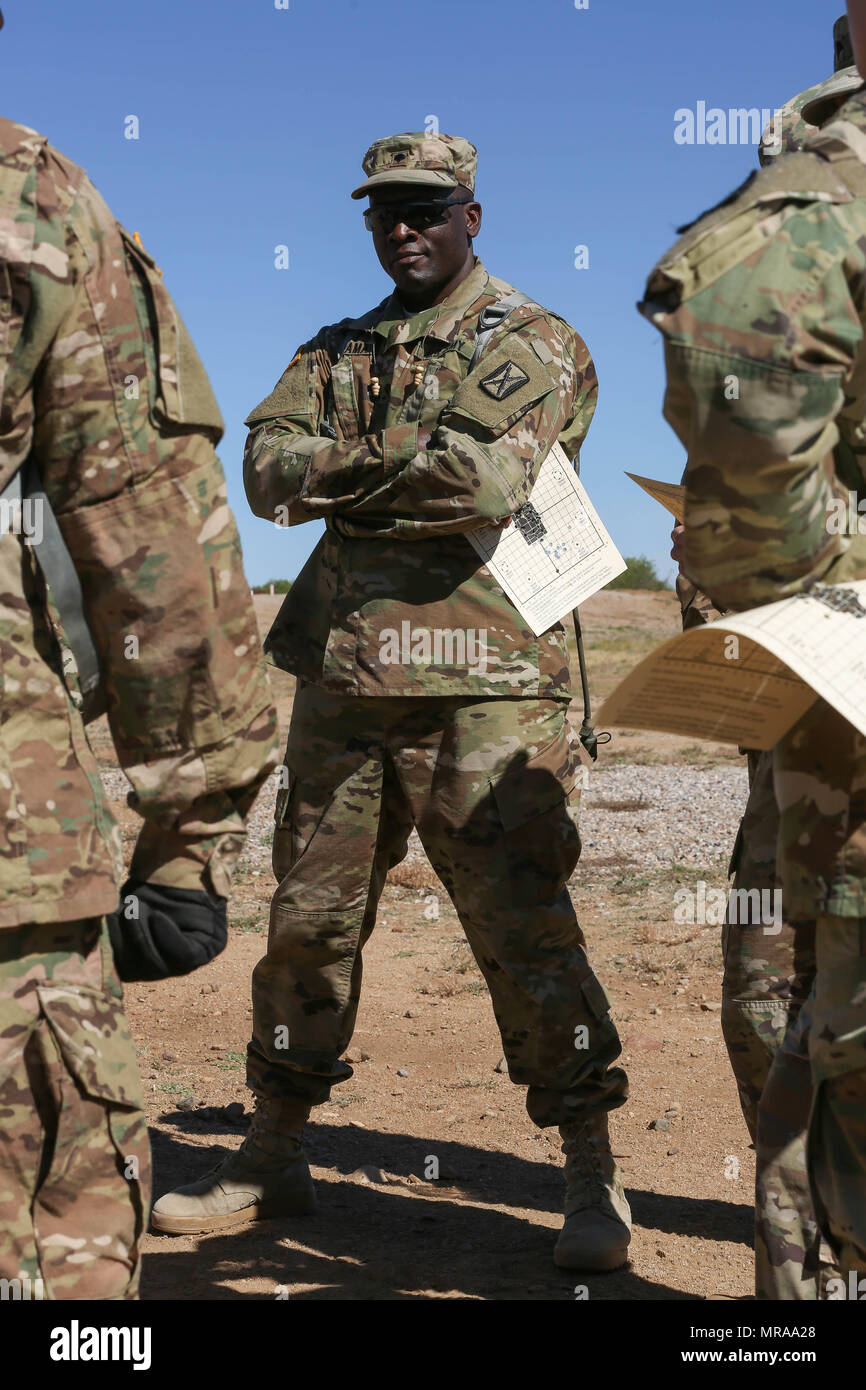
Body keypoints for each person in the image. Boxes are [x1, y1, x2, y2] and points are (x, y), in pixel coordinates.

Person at [153, 130, 631, 1271]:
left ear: (474, 214)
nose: (401, 227)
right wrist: (388, 466)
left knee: (523, 934)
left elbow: (486, 476)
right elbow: (265, 467)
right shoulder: (336, 346)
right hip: (346, 683)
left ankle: (588, 1174)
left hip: (488, 693)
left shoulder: (533, 338)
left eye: (424, 207)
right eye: (381, 211)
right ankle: (272, 1152)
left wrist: (342, 475)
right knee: (304, 934)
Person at [0, 5, 279, 1299]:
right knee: (51, 1237)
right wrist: (189, 835)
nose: (404, 225)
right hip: (14, 845)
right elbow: (149, 528)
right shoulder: (31, 197)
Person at [640, 1, 866, 1295]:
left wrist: (794, 580)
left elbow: (739, 314)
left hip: (838, 720)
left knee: (808, 1028)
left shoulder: (830, 172)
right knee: (769, 986)